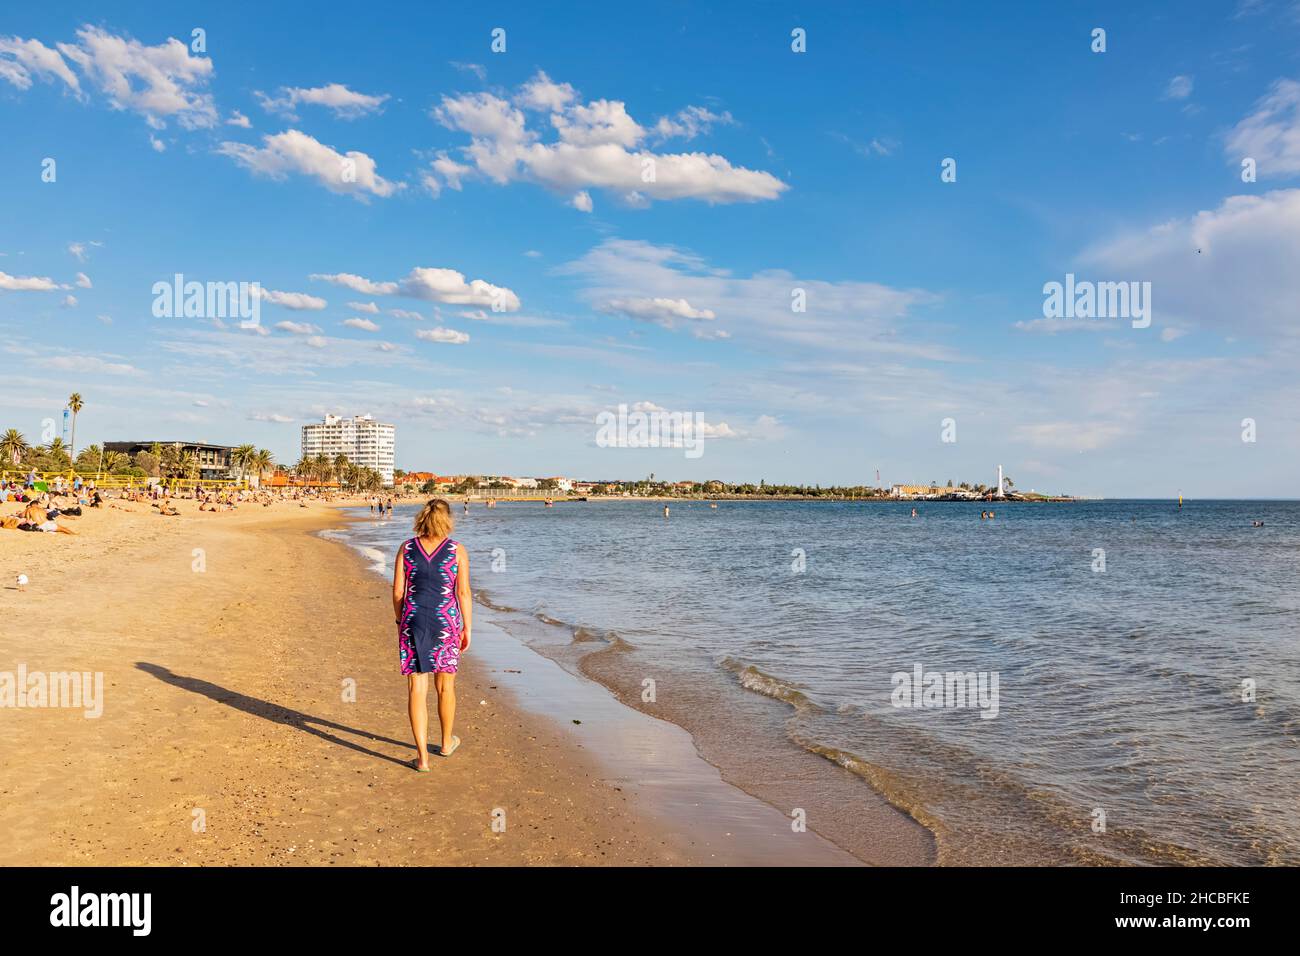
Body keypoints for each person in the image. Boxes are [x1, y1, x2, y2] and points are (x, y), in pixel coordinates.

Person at [392, 498, 472, 771]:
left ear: (422, 517)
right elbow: (462, 592)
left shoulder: (407, 548)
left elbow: (398, 593)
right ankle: (447, 743)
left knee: (417, 689)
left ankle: (423, 758)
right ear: (448, 519)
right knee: (445, 686)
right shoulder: (456, 550)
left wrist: (399, 619)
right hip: (446, 622)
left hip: (413, 620)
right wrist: (467, 627)